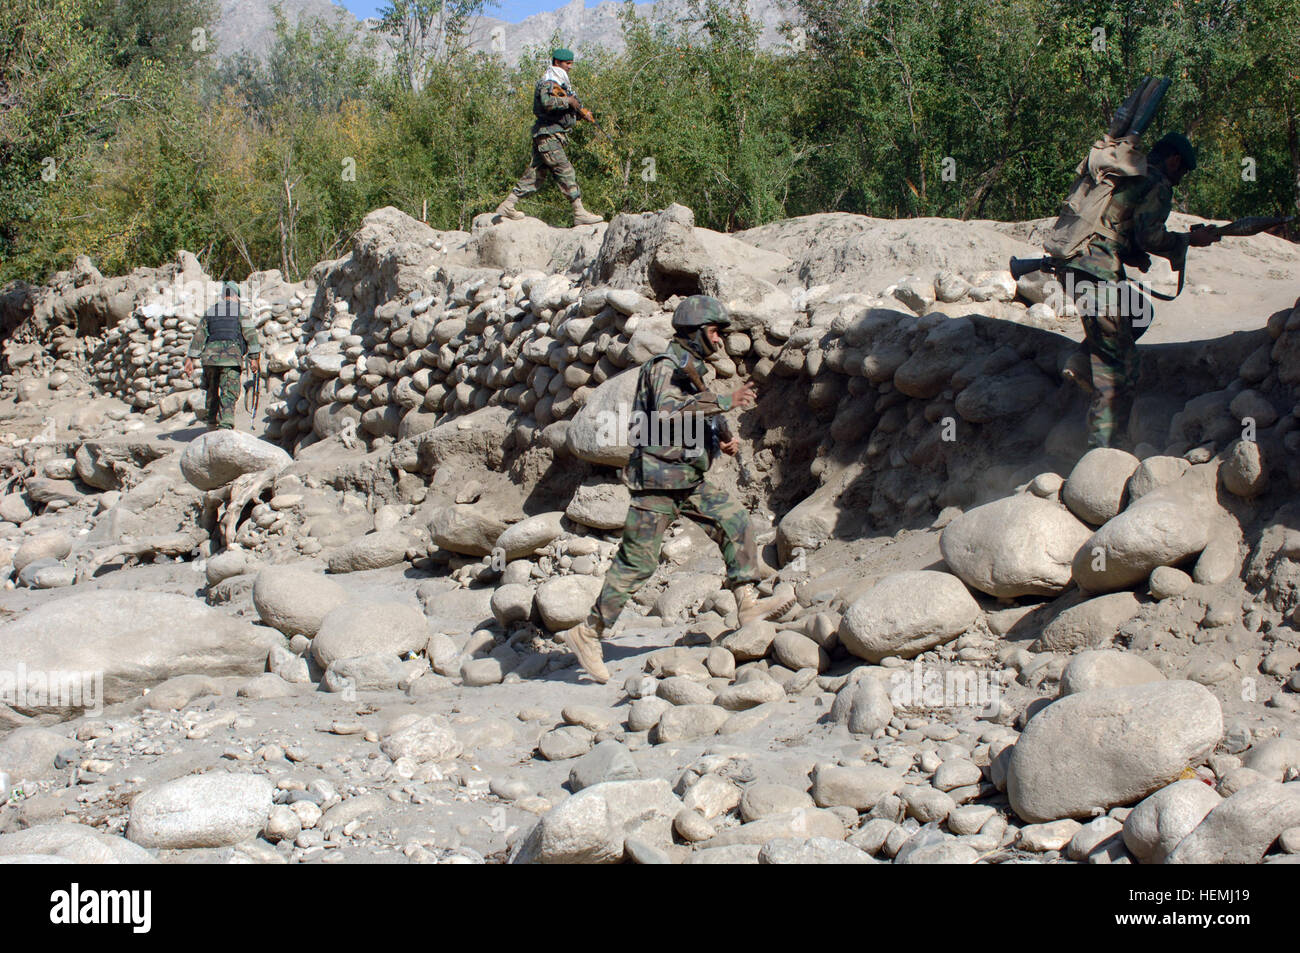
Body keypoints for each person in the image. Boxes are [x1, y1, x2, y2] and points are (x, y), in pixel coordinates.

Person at [560, 295, 795, 683]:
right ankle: (587, 633)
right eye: (716, 332)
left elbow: (693, 412)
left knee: (734, 520)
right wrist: (725, 400)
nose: (719, 341)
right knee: (639, 563)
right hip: (657, 481)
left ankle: (747, 603)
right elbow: (668, 414)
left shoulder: (690, 368)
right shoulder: (665, 368)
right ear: (697, 331)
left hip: (686, 478)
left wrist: (722, 435)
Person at [1056, 132, 1220, 448]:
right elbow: (1150, 235)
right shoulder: (1156, 183)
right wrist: (1187, 241)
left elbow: (1116, 227)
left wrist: (1132, 255)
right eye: (1182, 171)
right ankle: (1104, 448)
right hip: (1096, 273)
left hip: (1076, 265)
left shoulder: (1128, 177)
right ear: (1174, 161)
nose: (1179, 178)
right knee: (1120, 369)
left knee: (1140, 313)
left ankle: (1081, 359)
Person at [495, 48, 604, 227]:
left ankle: (508, 204)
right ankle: (579, 212)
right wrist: (568, 102)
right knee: (565, 170)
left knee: (535, 175)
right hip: (549, 136)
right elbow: (547, 103)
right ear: (557, 63)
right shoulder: (549, 82)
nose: (570, 67)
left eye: (571, 63)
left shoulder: (560, 83)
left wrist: (579, 114)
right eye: (567, 63)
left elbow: (561, 112)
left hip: (548, 135)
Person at [184, 282, 260, 430]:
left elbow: (199, 336)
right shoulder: (240, 311)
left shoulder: (211, 311)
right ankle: (226, 424)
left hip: (210, 358)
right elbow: (250, 334)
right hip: (231, 357)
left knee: (212, 391)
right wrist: (254, 357)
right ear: (235, 296)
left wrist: (190, 358)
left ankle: (211, 423)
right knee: (229, 391)